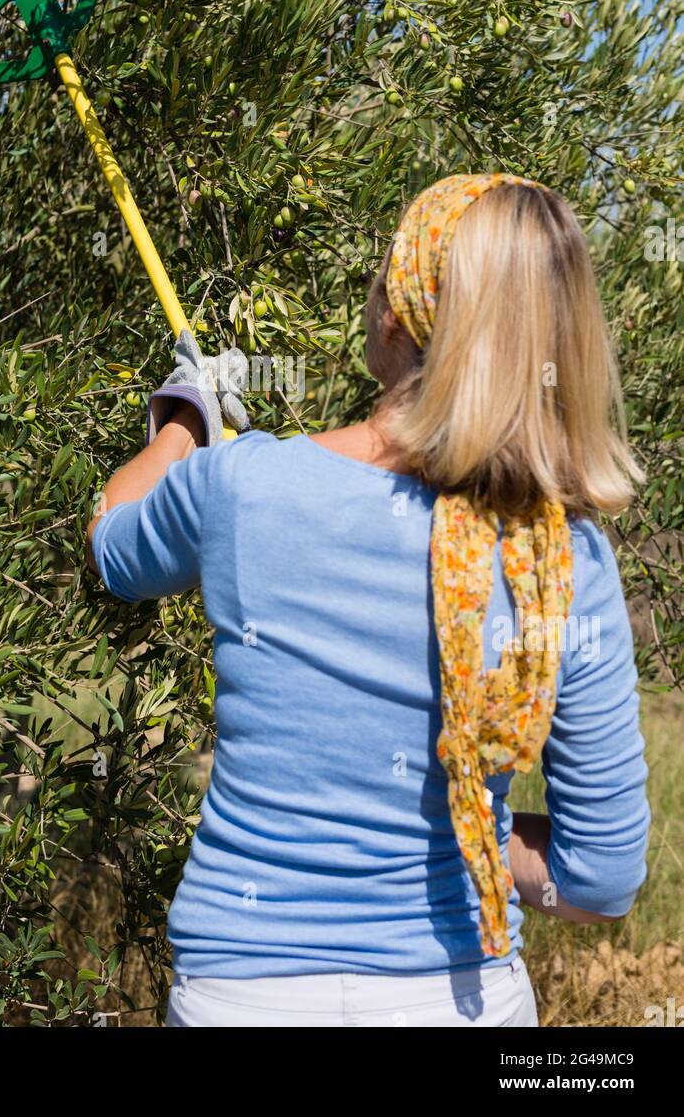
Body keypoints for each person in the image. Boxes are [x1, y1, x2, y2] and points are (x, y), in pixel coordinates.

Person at [85, 173, 651, 1028]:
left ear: (394, 313)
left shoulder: (245, 487)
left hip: (248, 998)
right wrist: (480, 840)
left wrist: (185, 418)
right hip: (461, 1003)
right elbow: (601, 878)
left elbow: (114, 543)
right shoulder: (563, 556)